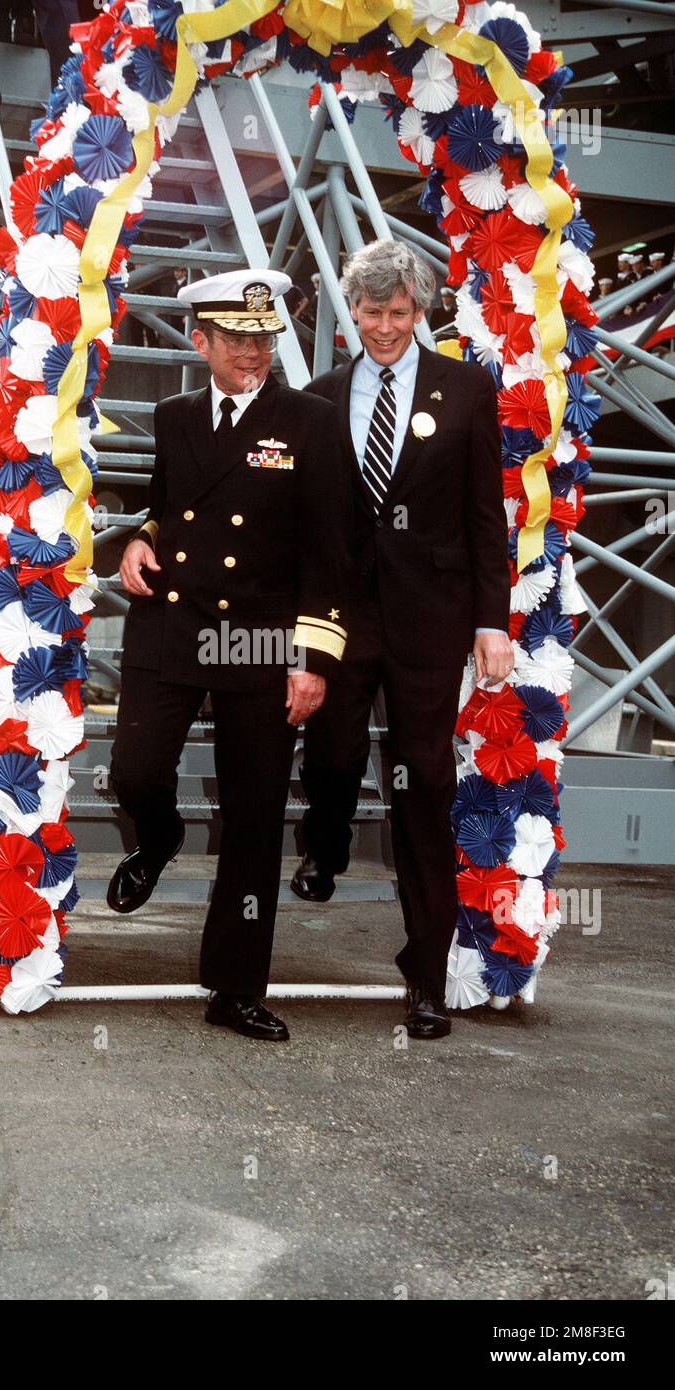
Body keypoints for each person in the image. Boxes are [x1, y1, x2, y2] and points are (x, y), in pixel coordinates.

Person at [107, 269, 348, 1041]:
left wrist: (313, 659)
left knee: (253, 818)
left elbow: (331, 554)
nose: (252, 352)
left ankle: (235, 986)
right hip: (175, 627)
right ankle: (159, 834)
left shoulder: (310, 420)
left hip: (261, 639)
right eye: (237, 339)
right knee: (134, 773)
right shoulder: (174, 414)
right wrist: (140, 540)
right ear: (198, 340)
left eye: (263, 338)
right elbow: (166, 506)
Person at [289, 239, 513, 1041]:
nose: (384, 327)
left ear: (422, 310)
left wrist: (493, 621)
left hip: (432, 618)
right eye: (370, 311)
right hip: (345, 618)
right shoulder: (318, 398)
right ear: (350, 311)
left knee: (424, 786)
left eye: (398, 312)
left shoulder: (465, 391)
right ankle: (328, 842)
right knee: (334, 751)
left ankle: (424, 975)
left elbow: (488, 516)